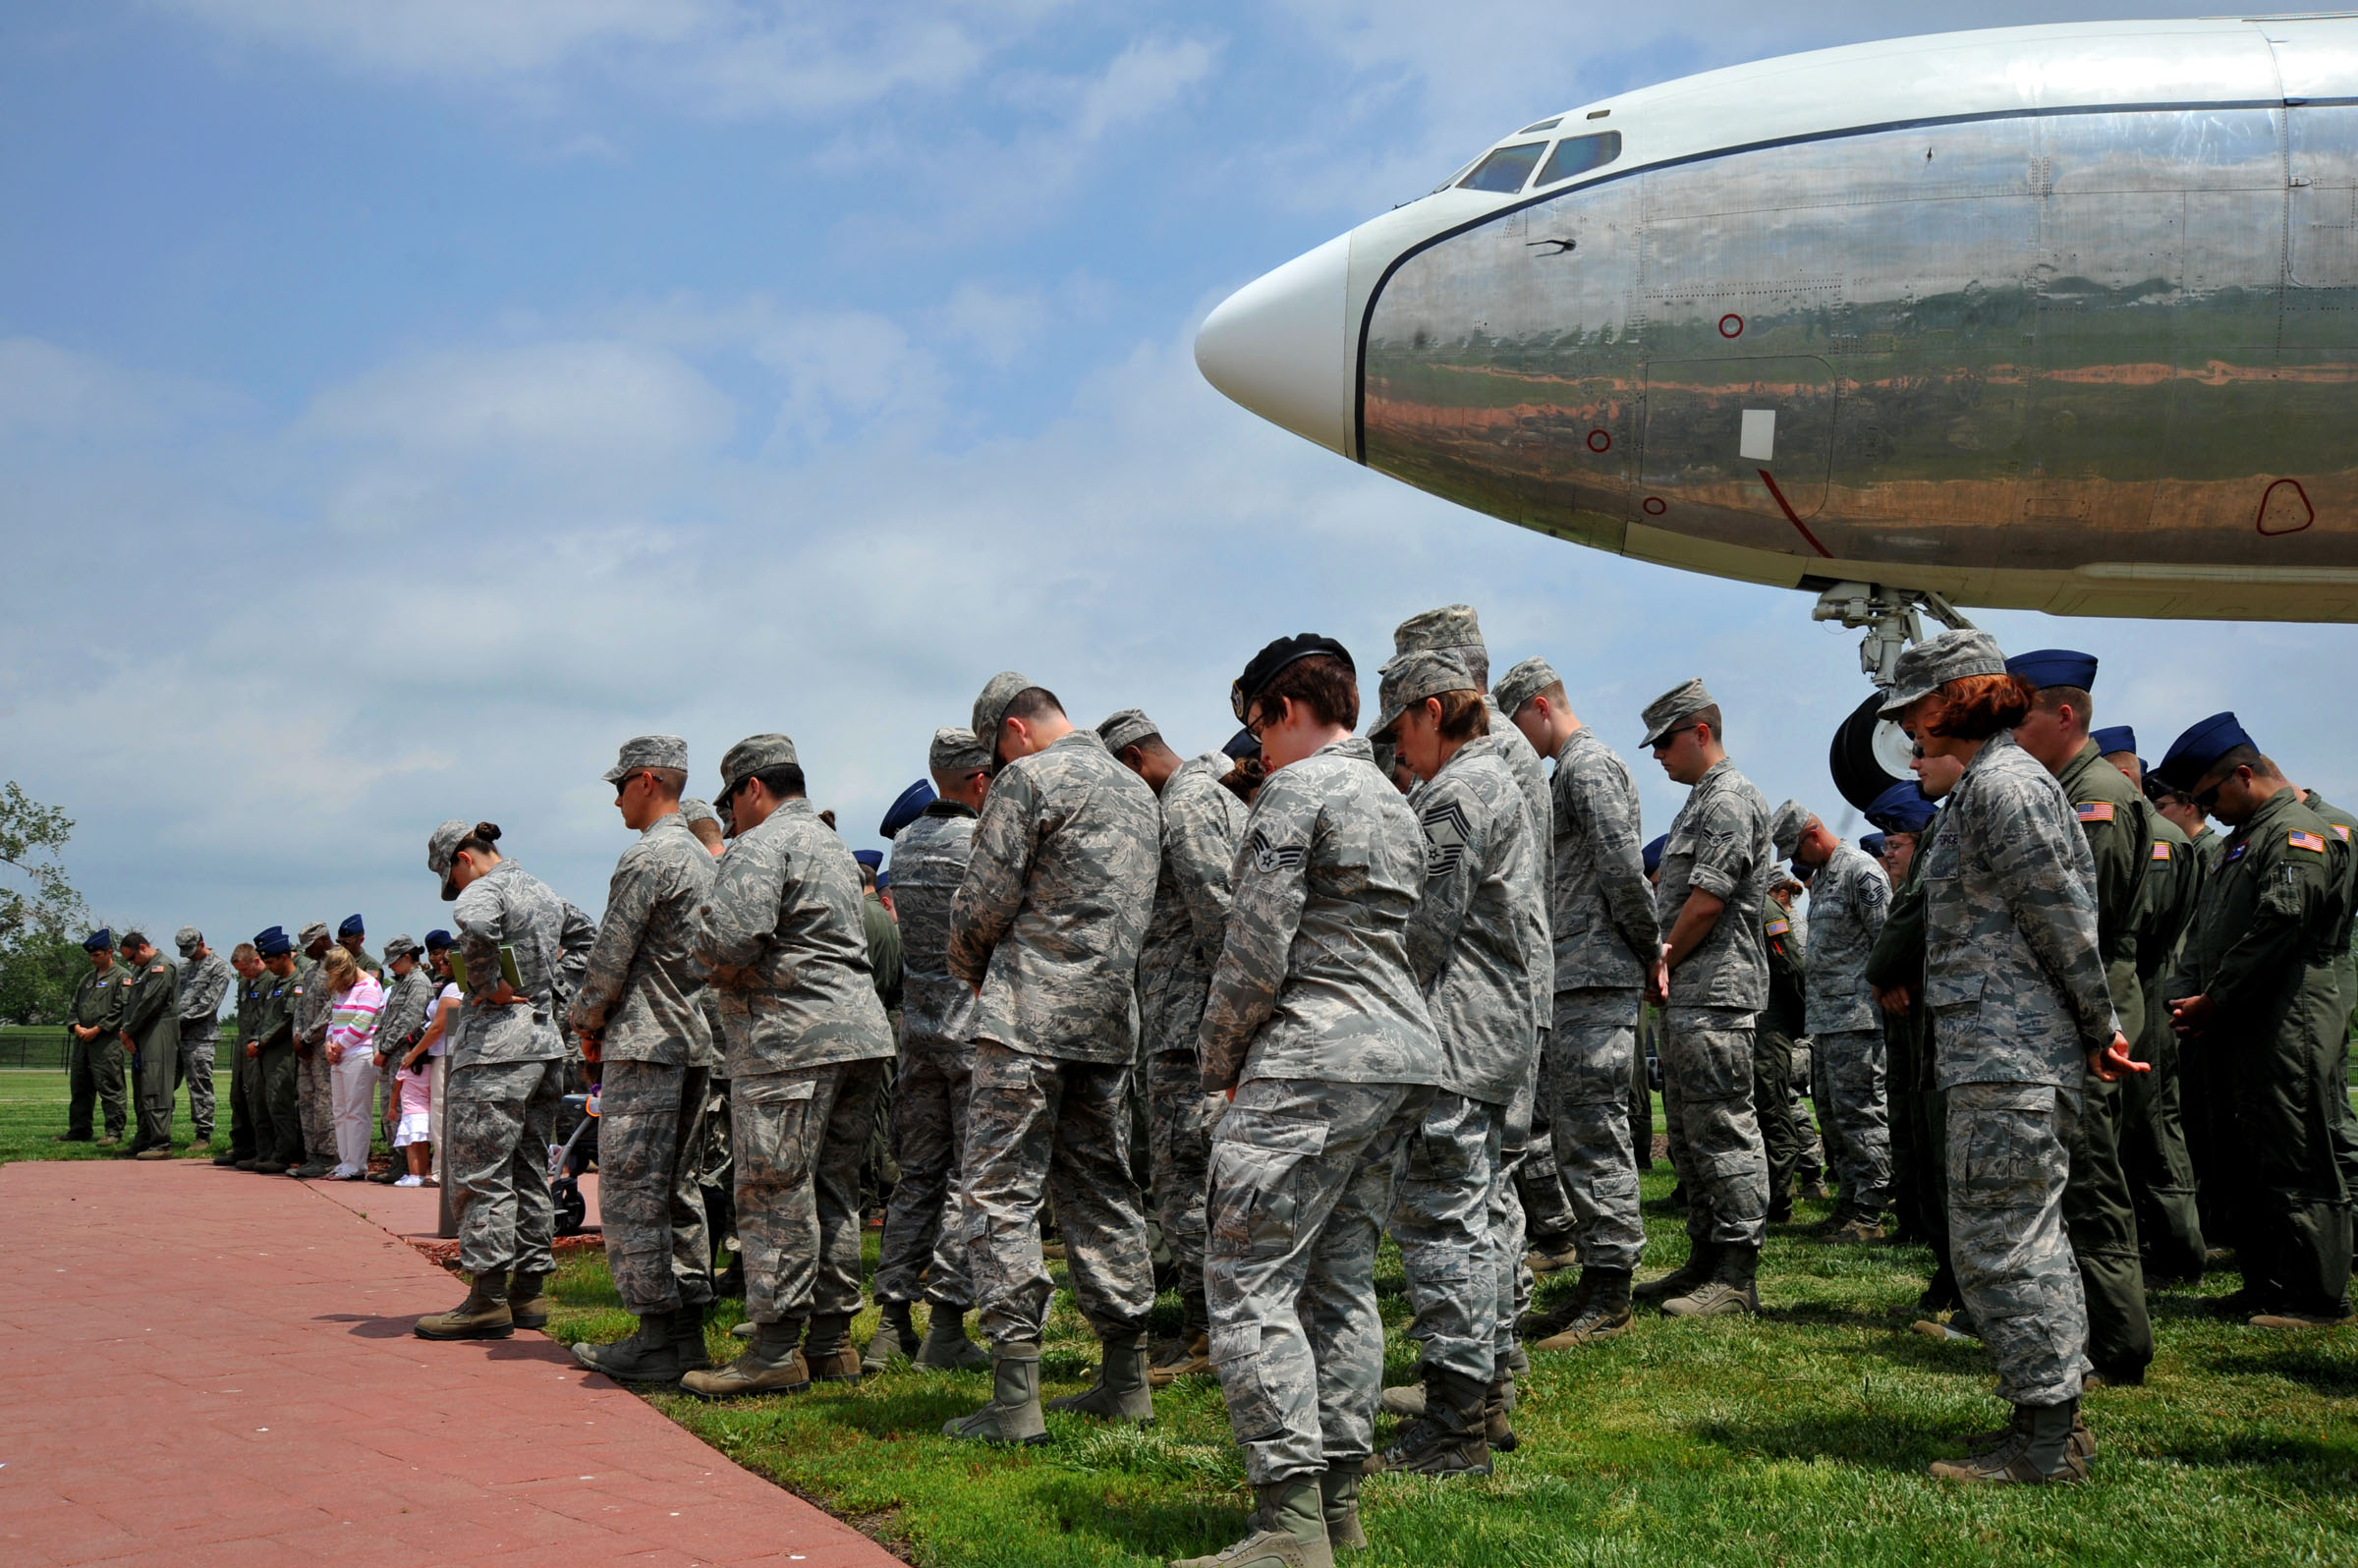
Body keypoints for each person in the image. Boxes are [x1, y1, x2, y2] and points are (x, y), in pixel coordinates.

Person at [1174, 635, 1442, 1568]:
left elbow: (1254, 946)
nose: (1257, 747)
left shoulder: (1296, 792)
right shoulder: (1394, 799)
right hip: (1397, 1056)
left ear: (1285, 710)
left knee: (1248, 1278)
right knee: (1341, 1281)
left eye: (1258, 726)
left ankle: (1288, 1529)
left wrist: (1218, 1063)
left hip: (1310, 1059)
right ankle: (1337, 1508)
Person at [1881, 629, 2140, 1484]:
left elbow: (2062, 918)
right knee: (2010, 1239)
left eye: (1915, 708)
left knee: (2011, 1243)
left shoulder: (2005, 787)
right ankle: (2045, 1421)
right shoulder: (1990, 785)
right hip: (1996, 1052)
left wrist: (2100, 1027)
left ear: (1952, 699)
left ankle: (2048, 1439)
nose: (1908, 729)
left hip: (2011, 1054)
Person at [940, 674, 1159, 1445]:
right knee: (1103, 1189)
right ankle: (1126, 1380)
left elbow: (983, 902)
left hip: (1027, 1017)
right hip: (1107, 1021)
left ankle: (1016, 1395)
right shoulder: (1136, 790)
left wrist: (969, 967)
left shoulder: (1028, 780)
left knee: (1001, 1191)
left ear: (1014, 731)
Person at [1362, 648, 1540, 1477]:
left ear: (1432, 710)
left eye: (1399, 729)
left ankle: (1455, 1427)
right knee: (1478, 1220)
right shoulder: (1491, 780)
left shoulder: (1457, 794)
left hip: (1452, 1036)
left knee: (1444, 1227)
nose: (1397, 750)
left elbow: (1422, 928)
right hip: (1488, 1030)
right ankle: (1484, 1397)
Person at [685, 734, 896, 1396]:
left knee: (773, 1192)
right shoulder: (832, 843)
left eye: (731, 802)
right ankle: (831, 1344)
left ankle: (774, 1350)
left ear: (752, 788)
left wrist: (696, 950)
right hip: (857, 1036)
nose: (729, 817)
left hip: (789, 1043)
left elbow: (729, 939)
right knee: (833, 1191)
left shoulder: (762, 844)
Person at [2161, 713, 2354, 1328]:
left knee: (2296, 1149)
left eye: (2210, 797)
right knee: (2244, 1153)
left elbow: (2281, 924)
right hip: (2236, 1015)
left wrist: (2216, 999)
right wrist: (2188, 996)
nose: (2207, 811)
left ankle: (2315, 1297)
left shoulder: (2297, 833)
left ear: (2243, 775)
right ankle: (2264, 1284)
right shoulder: (2243, 838)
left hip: (2286, 1013)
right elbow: (2206, 930)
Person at [1495, 656, 1657, 1351]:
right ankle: (1596, 1281)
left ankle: (1612, 1293)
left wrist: (1649, 950)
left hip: (1596, 973)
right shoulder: (1570, 771)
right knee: (1575, 1133)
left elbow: (1623, 869)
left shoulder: (1588, 768)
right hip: (1577, 974)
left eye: (1516, 724)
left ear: (1540, 707)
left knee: (1594, 1134)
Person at [2007, 647, 2157, 1388]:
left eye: (2021, 716)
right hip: (2075, 1000)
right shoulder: (2061, 789)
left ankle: (2117, 1343)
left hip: (2093, 1001)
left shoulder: (2095, 797)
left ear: (2064, 715)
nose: (2008, 732)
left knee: (2092, 1175)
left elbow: (2081, 919)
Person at [567, 736, 722, 1385]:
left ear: (648, 780)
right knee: (679, 1189)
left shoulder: (648, 856)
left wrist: (585, 1021)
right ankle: (686, 1334)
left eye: (620, 785)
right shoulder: (703, 856)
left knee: (633, 1193)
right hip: (692, 1041)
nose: (616, 800)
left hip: (645, 1042)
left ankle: (656, 1338)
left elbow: (610, 957)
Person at [1100, 706, 1248, 1386]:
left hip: (1192, 1031)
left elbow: (1220, 914)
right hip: (1196, 1026)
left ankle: (1207, 1331)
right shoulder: (1210, 796)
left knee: (1186, 1182)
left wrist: (1232, 1026)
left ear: (1134, 762)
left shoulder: (1185, 808)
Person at [1634, 679, 1773, 1316]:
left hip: (1716, 994)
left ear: (1700, 732)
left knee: (1723, 1130)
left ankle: (1737, 1276)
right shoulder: (1700, 802)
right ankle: (1704, 1260)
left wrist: (1663, 957)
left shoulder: (1728, 800)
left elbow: (1708, 900)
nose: (1658, 756)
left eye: (1665, 742)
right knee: (1691, 1137)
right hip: (1691, 994)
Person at [414, 820, 577, 1341]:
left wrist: (489, 985)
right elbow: (587, 936)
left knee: (480, 1175)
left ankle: (487, 1299)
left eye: (451, 878)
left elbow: (477, 925)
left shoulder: (483, 891)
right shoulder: (543, 891)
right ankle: (528, 1293)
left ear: (463, 858)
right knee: (529, 1171)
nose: (455, 889)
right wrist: (553, 990)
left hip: (494, 1054)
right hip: (544, 1044)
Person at [868, 728, 996, 1373]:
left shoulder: (907, 843)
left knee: (917, 1180)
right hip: (971, 1034)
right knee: (969, 1182)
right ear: (980, 779)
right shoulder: (981, 842)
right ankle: (945, 1326)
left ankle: (890, 1325)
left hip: (917, 1036)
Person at [1779, 803, 1894, 1240]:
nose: (1796, 862)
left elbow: (1885, 940)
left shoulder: (1860, 871)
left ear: (1813, 834)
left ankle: (1870, 1212)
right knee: (1833, 1118)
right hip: (1827, 1021)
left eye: (1795, 851)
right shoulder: (1825, 874)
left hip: (1858, 1019)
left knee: (1862, 1116)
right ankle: (1847, 1205)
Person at [369, 936, 436, 1185]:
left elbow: (409, 1021)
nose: (391, 966)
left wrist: (385, 1049)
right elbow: (384, 1020)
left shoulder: (418, 983)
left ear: (408, 956)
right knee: (390, 1108)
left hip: (404, 1054)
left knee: (401, 1108)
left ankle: (405, 1163)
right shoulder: (401, 983)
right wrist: (378, 1047)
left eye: (394, 961)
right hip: (389, 1054)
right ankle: (396, 1159)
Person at [58, 930, 131, 1145]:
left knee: (110, 1086)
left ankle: (114, 1131)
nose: (93, 959)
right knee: (80, 1087)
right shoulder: (87, 979)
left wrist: (98, 1029)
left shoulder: (122, 977)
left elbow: (121, 1008)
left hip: (106, 1042)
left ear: (109, 952)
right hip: (82, 1041)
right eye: (90, 955)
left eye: (97, 955)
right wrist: (76, 1027)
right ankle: (79, 1130)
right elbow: (74, 1007)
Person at [115, 932, 183, 1159]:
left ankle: (161, 1142)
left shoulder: (162, 967)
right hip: (141, 1031)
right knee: (142, 1087)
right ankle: (144, 1139)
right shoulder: (140, 970)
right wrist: (128, 1031)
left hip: (159, 1028)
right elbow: (131, 1004)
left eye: (132, 957)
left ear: (143, 948)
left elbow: (150, 1002)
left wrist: (128, 1030)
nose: (131, 963)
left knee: (156, 1085)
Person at [247, 927, 308, 1174]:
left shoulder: (298, 983)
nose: (268, 967)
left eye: (271, 962)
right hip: (264, 1051)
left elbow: (287, 1019)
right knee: (261, 1103)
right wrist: (256, 1039)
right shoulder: (274, 983)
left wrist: (262, 1042)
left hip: (281, 1053)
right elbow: (263, 1016)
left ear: (284, 957)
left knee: (280, 1103)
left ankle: (284, 1155)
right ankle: (265, 1153)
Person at [320, 945, 384, 1180]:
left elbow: (362, 1022)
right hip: (339, 1056)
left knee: (356, 1110)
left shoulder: (370, 987)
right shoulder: (344, 990)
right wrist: (329, 1044)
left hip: (360, 1054)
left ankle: (357, 1164)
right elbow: (334, 1020)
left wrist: (339, 1046)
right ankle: (345, 1160)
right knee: (340, 1110)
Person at [172, 927, 232, 1152]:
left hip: (201, 1037)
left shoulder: (219, 967)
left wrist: (178, 1021)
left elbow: (209, 1004)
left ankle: (203, 1134)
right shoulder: (182, 966)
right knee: (165, 1084)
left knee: (199, 1086)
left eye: (191, 950)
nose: (188, 955)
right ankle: (160, 1131)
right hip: (175, 1036)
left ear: (201, 943)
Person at [291, 921, 337, 1178]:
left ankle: (329, 1155)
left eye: (310, 945)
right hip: (306, 1048)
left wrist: (308, 1037)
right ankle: (313, 1154)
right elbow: (300, 1005)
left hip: (325, 1045)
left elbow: (334, 1007)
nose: (307, 951)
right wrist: (298, 1036)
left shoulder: (339, 963)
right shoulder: (310, 969)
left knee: (325, 1101)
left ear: (322, 939)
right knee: (307, 1099)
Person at [217, 941, 266, 1168]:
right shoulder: (244, 983)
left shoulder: (270, 980)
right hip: (242, 1041)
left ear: (256, 961)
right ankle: (241, 1146)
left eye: (245, 969)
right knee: (237, 1096)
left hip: (259, 1043)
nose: (243, 974)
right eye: (239, 971)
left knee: (256, 1098)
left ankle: (261, 1148)